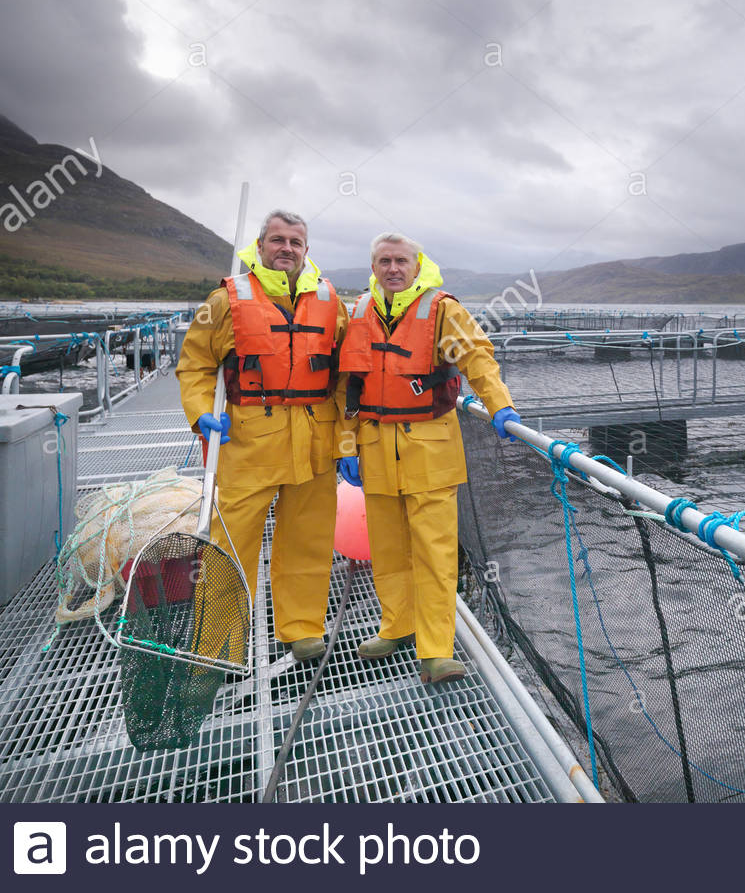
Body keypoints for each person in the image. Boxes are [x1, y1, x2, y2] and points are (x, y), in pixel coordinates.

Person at [334, 233, 520, 683]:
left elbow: (478, 357)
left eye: (401, 261)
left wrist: (500, 406)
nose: (393, 268)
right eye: (384, 261)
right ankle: (396, 627)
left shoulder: (443, 309)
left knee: (436, 555)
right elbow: (344, 389)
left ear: (416, 266)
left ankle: (435, 651)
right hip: (375, 449)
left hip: (430, 451)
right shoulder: (358, 311)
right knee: (388, 550)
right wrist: (345, 445)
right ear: (373, 266)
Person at [177, 209, 348, 663]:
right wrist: (200, 416)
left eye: (295, 241)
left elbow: (348, 372)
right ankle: (220, 645)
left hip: (316, 441)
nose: (286, 248)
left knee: (308, 541)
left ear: (306, 250)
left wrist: (349, 437)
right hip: (249, 442)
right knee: (230, 544)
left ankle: (303, 628)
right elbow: (195, 365)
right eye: (277, 240)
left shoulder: (333, 301)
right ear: (260, 245)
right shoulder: (224, 301)